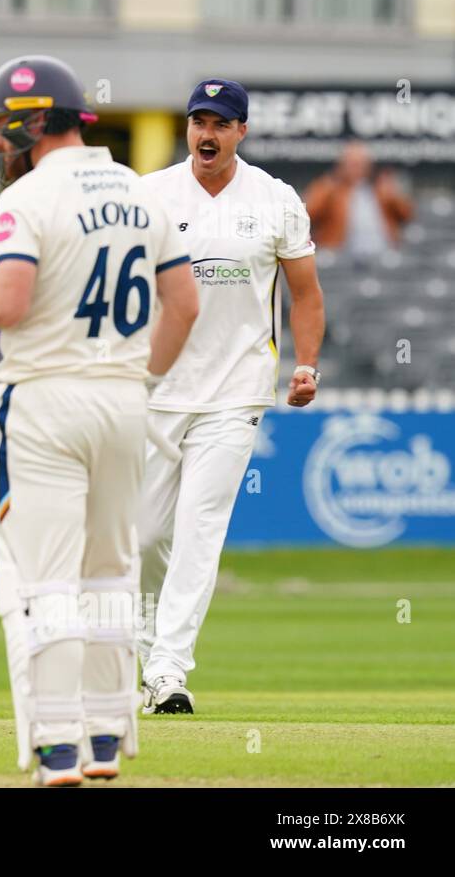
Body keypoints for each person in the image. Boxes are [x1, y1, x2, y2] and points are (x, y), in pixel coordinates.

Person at [0, 55, 198, 785]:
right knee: (113, 575)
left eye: (3, 128)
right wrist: (139, 377)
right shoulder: (142, 193)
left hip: (46, 397)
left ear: (31, 122)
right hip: (122, 401)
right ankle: (110, 738)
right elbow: (185, 308)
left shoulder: (27, 198)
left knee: (47, 580)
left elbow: (9, 304)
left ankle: (58, 748)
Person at [136, 79, 325, 714]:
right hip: (156, 390)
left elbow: (306, 294)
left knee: (199, 530)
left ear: (241, 131)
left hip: (235, 393)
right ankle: (145, 652)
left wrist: (307, 366)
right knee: (140, 537)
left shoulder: (276, 199)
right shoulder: (151, 193)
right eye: (197, 122)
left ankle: (169, 670)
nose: (206, 134)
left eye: (220, 123)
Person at [304, 140, 412, 262]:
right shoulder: (330, 189)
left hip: (382, 255)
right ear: (342, 165)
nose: (356, 169)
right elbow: (308, 214)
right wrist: (329, 182)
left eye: (361, 164)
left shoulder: (380, 190)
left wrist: (392, 193)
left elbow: (407, 215)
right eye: (352, 164)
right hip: (340, 257)